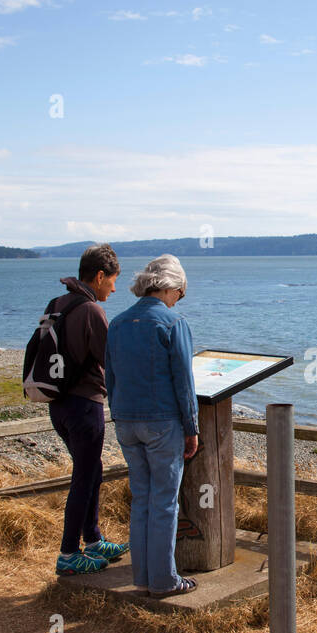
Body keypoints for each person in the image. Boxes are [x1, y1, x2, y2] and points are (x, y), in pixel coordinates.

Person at [105, 254, 200, 598]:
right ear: (170, 287)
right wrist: (192, 428)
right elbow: (183, 383)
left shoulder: (116, 324)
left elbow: (111, 378)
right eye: (181, 292)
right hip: (162, 422)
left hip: (126, 420)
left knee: (141, 499)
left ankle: (143, 576)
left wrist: (118, 414)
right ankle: (163, 580)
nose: (180, 299)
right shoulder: (173, 324)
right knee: (164, 502)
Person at [48, 244, 130, 575]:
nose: (114, 287)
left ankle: (93, 540)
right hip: (85, 405)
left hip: (59, 404)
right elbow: (112, 361)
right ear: (99, 276)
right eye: (112, 280)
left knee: (91, 471)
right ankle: (69, 553)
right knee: (84, 477)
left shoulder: (59, 303)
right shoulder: (91, 311)